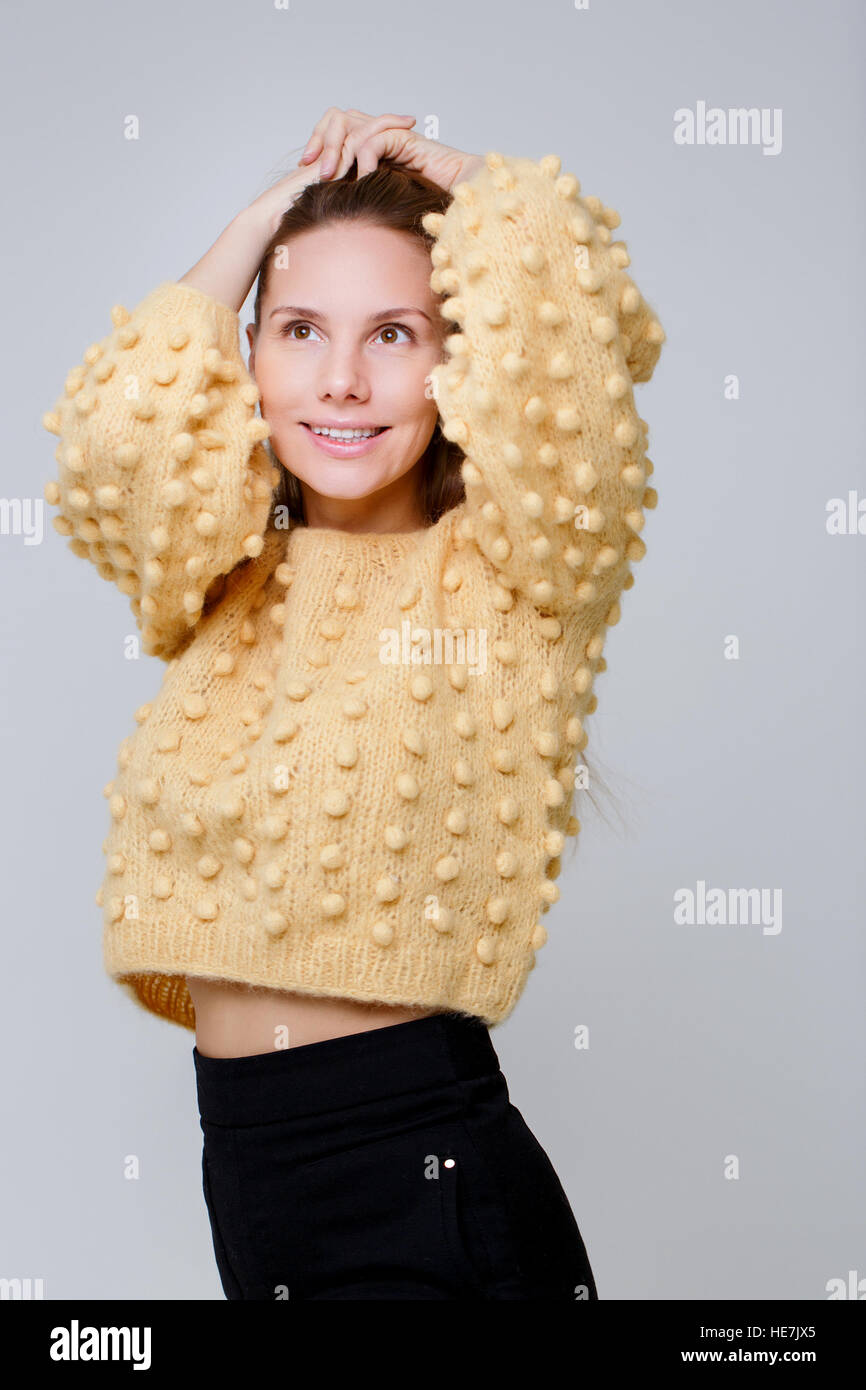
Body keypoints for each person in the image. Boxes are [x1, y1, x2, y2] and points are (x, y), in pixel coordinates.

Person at [42, 106, 665, 1300]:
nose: (338, 378)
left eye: (393, 332)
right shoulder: (221, 568)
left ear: (461, 358)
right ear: (249, 355)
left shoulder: (515, 572)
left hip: (420, 1175)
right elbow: (119, 440)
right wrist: (256, 224)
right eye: (296, 329)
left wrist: (493, 190)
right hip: (255, 1176)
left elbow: (575, 369)